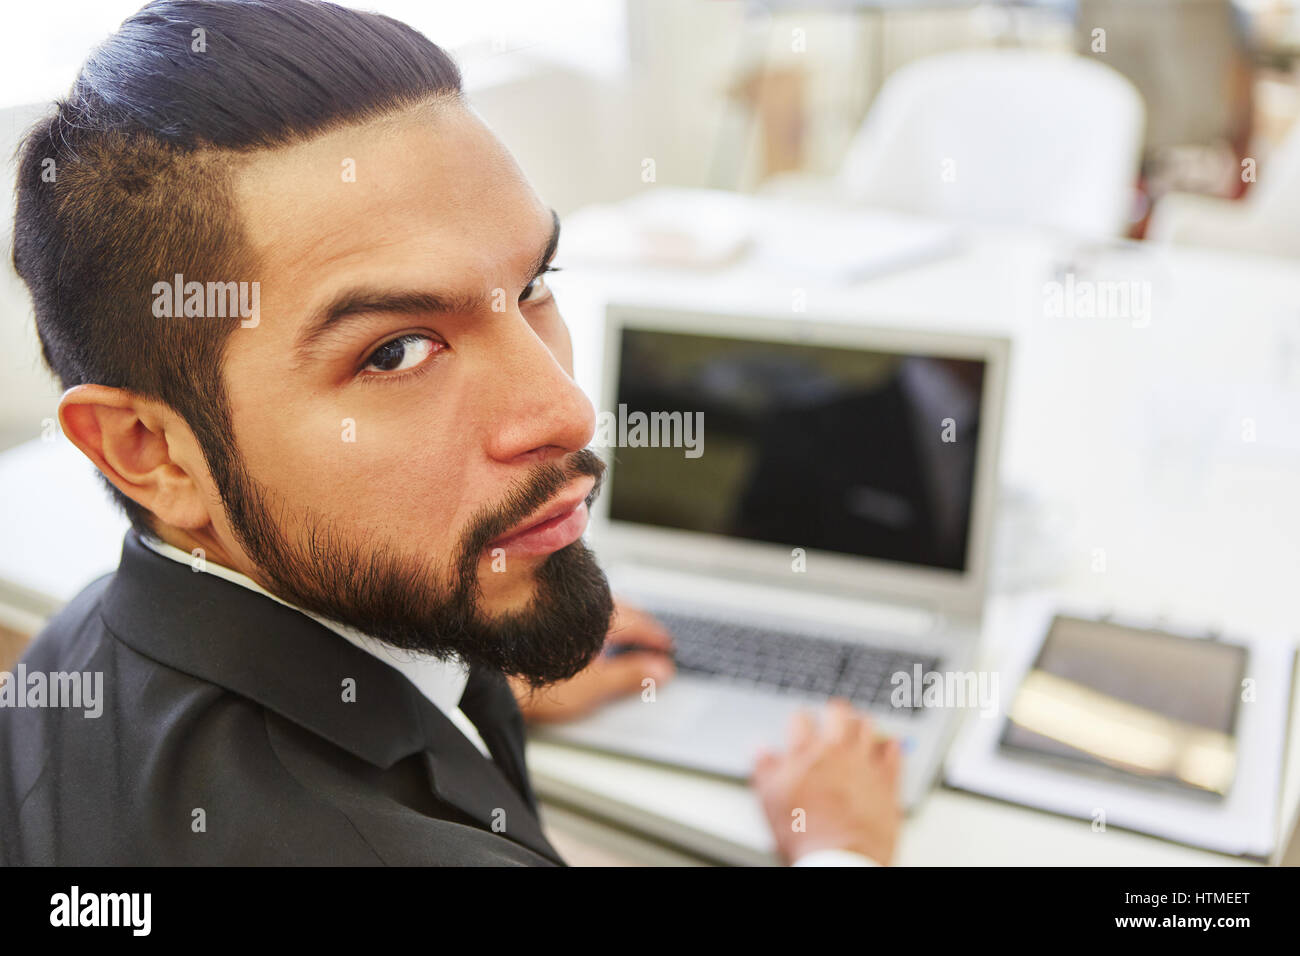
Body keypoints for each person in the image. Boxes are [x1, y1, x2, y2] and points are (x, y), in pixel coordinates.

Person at [0, 0, 901, 866]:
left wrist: (444, 685)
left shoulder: (87, 638)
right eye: (395, 351)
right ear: (148, 452)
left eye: (533, 284)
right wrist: (841, 849)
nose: (566, 413)